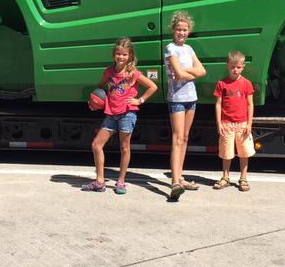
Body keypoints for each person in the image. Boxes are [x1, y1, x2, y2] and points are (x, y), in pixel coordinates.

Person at [81, 38, 157, 195]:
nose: (120, 57)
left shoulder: (133, 73)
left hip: (127, 114)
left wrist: (139, 100)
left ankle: (121, 181)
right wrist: (93, 101)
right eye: (118, 54)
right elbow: (99, 88)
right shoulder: (109, 72)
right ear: (113, 55)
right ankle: (100, 182)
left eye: (124, 54)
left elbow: (152, 86)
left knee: (124, 147)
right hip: (111, 114)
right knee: (96, 145)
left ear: (130, 56)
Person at [164, 11, 206, 201]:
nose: (182, 32)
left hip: (191, 98)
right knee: (177, 138)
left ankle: (180, 177)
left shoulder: (189, 49)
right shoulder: (170, 48)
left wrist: (186, 71)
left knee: (185, 138)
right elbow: (179, 75)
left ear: (189, 31)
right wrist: (191, 73)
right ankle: (175, 183)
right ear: (173, 30)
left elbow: (202, 71)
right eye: (179, 29)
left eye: (185, 30)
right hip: (177, 98)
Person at [213, 50, 255, 192]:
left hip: (242, 124)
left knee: (244, 152)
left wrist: (249, 124)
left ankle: (243, 178)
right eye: (232, 67)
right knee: (226, 153)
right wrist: (219, 123)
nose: (235, 70)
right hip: (226, 124)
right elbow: (218, 104)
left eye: (238, 67)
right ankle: (225, 177)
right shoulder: (222, 83)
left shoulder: (247, 84)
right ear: (227, 66)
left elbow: (250, 104)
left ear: (243, 67)